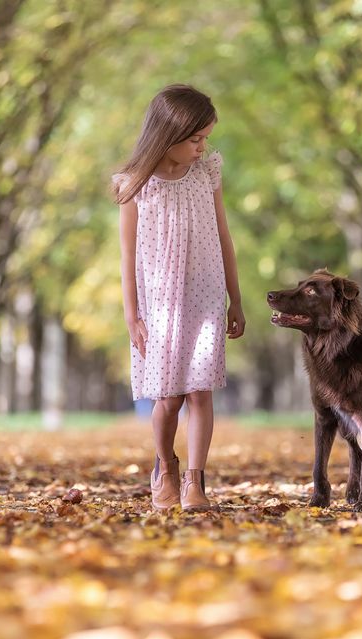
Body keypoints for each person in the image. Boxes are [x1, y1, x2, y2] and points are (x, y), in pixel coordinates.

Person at [112, 84, 245, 511]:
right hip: (159, 304)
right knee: (168, 399)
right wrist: (132, 315)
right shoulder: (136, 185)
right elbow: (128, 256)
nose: (202, 147)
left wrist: (235, 299)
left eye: (205, 138)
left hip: (206, 296)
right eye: (195, 139)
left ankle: (195, 482)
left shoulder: (206, 174)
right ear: (167, 135)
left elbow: (224, 235)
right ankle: (165, 467)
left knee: (200, 392)